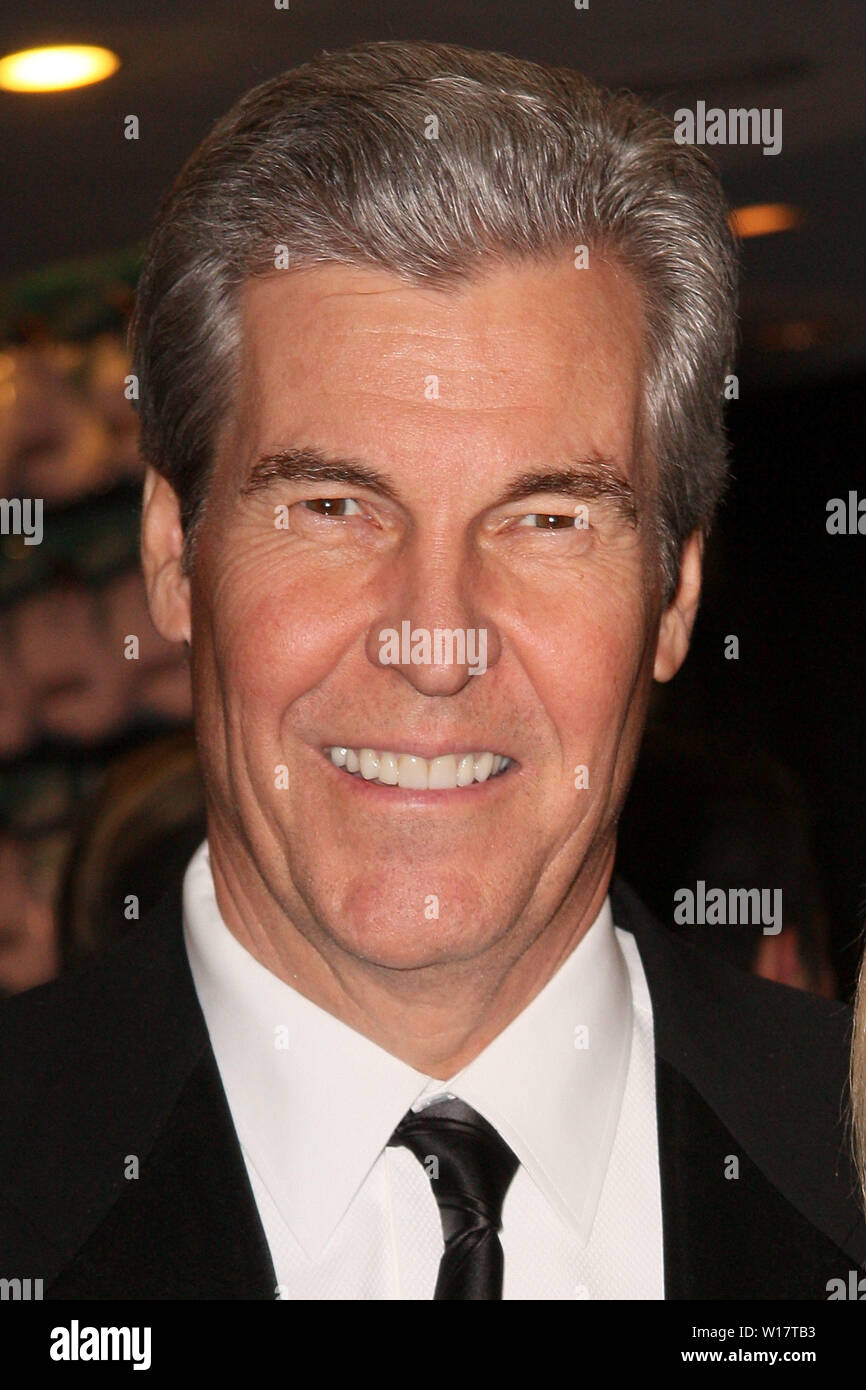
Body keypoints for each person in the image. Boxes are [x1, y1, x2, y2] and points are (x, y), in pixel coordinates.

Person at [1, 40, 862, 1301]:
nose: (433, 642)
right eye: (335, 506)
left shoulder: (841, 1163)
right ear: (173, 556)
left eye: (547, 519)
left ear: (673, 592)